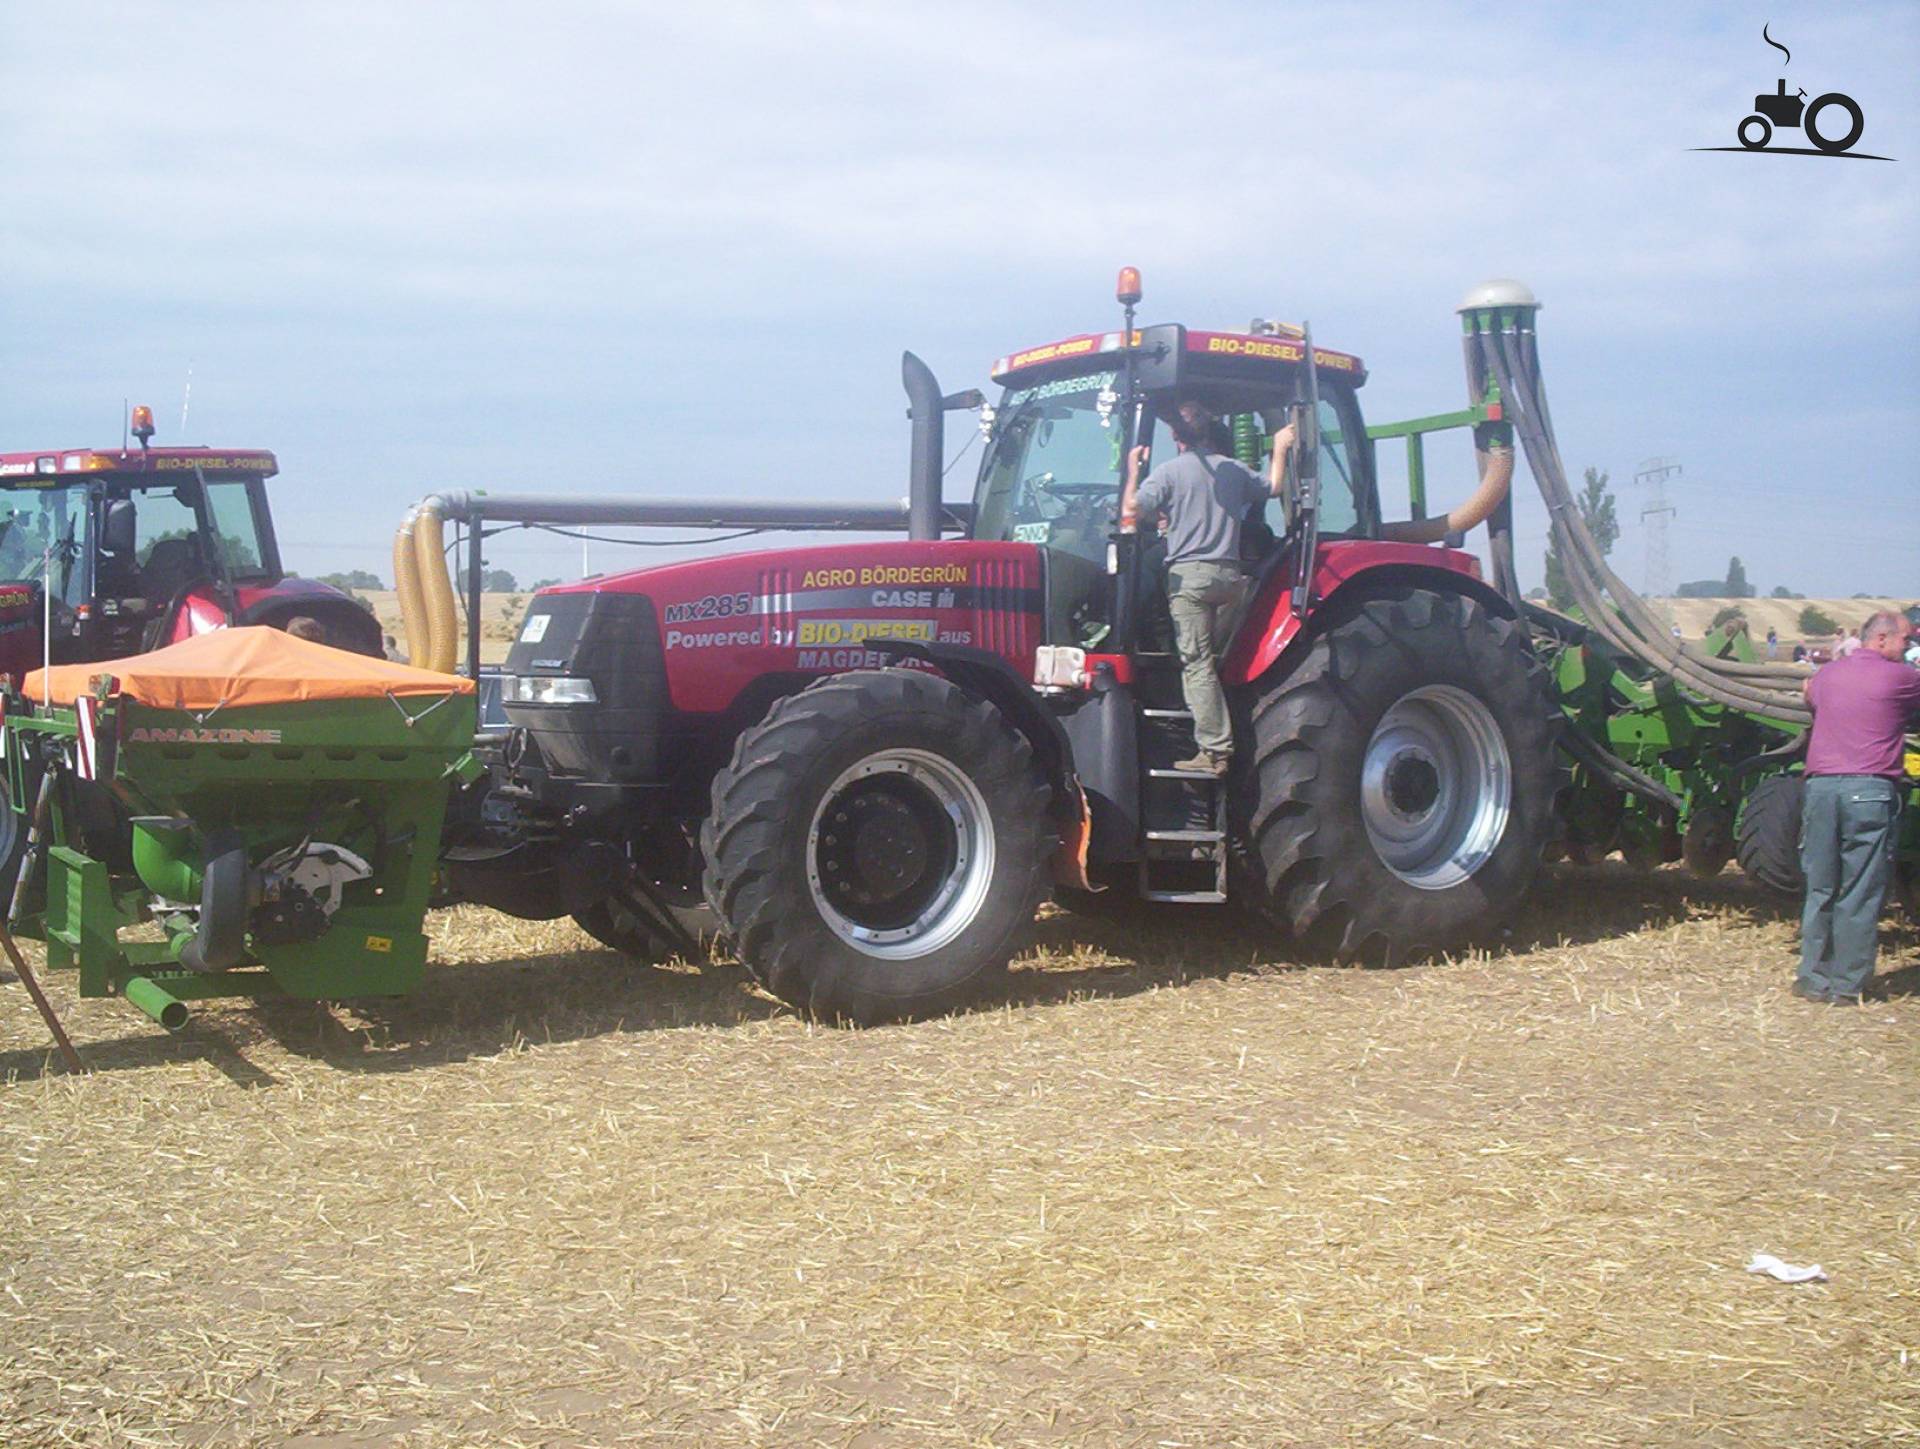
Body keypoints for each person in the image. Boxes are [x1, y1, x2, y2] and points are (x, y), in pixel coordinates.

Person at [1121, 401, 1295, 775]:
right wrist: (1280, 446)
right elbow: (1276, 486)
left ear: (1177, 440)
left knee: (1195, 664)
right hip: (1231, 579)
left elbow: (1133, 510)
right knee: (1214, 658)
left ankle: (1214, 750)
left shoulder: (1168, 473)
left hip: (1191, 579)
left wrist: (1134, 470)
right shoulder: (1232, 470)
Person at [1795, 610, 1920, 1004]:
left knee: (1821, 887)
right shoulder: (1901, 677)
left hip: (1819, 790)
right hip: (1868, 791)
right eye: (1905, 640)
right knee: (1860, 890)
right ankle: (1848, 986)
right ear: (1882, 640)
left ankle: (1813, 980)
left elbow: (1808, 694)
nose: (1908, 648)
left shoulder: (1828, 674)